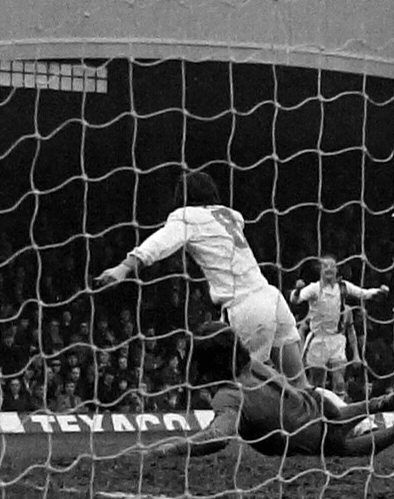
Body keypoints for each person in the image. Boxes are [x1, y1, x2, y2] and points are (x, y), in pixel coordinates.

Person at [93, 168, 307, 396]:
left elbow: (160, 242)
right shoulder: (228, 215)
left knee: (241, 390)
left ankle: (241, 430)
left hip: (246, 307)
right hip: (271, 297)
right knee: (301, 384)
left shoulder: (188, 216)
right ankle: (335, 419)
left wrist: (124, 267)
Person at [142, 324, 394, 460]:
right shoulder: (252, 364)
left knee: (346, 450)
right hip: (319, 404)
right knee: (336, 419)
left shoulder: (228, 395)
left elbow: (218, 436)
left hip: (309, 437)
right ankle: (383, 403)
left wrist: (171, 448)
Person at [294, 257, 387, 394]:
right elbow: (296, 299)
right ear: (320, 270)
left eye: (332, 266)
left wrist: (378, 291)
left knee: (339, 382)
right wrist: (297, 290)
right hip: (318, 340)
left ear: (337, 269)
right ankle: (317, 411)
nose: (329, 268)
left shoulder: (343, 287)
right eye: (325, 266)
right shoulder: (314, 289)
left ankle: (340, 410)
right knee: (316, 383)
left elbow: (363, 293)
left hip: (337, 340)